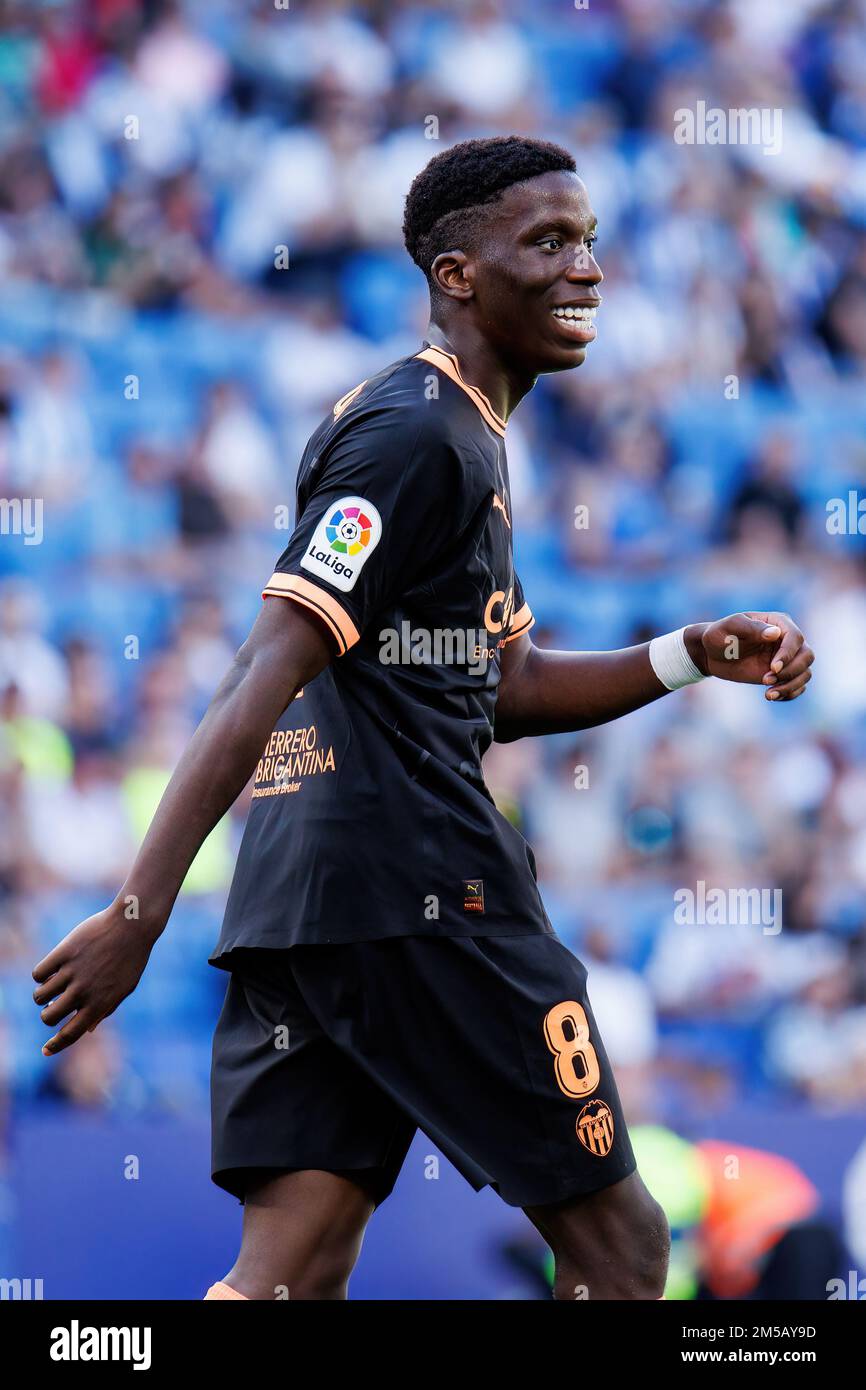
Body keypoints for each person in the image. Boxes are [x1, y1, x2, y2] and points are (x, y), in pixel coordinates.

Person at [31, 136, 814, 1301]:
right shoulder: (419, 434)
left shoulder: (456, 434)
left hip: (306, 899)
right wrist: (136, 915)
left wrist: (684, 654)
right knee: (622, 1243)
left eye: (588, 239)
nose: (585, 267)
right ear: (456, 275)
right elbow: (260, 673)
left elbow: (495, 684)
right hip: (424, 887)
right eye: (546, 241)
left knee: (288, 1268)